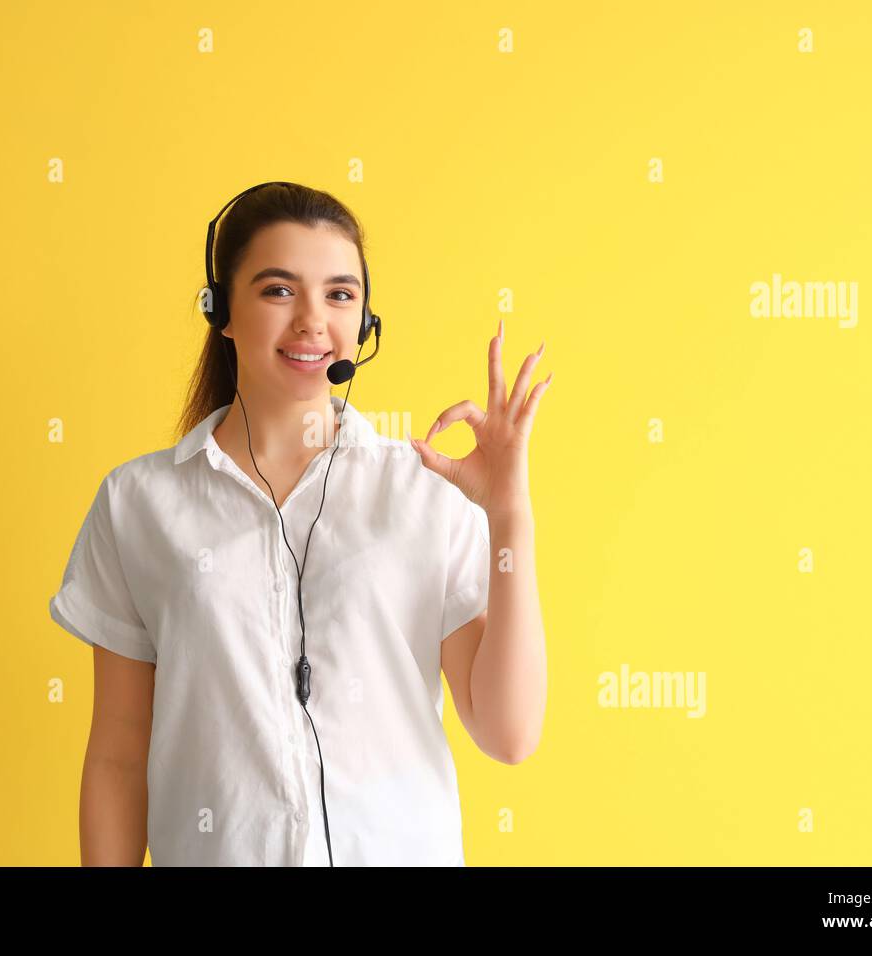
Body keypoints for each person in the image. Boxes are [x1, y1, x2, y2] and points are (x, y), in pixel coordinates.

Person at [49, 182, 550, 866]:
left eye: (341, 294)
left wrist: (509, 518)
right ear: (222, 311)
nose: (314, 321)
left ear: (365, 324)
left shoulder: (422, 494)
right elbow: (117, 753)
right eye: (279, 290)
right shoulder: (139, 503)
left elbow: (509, 733)